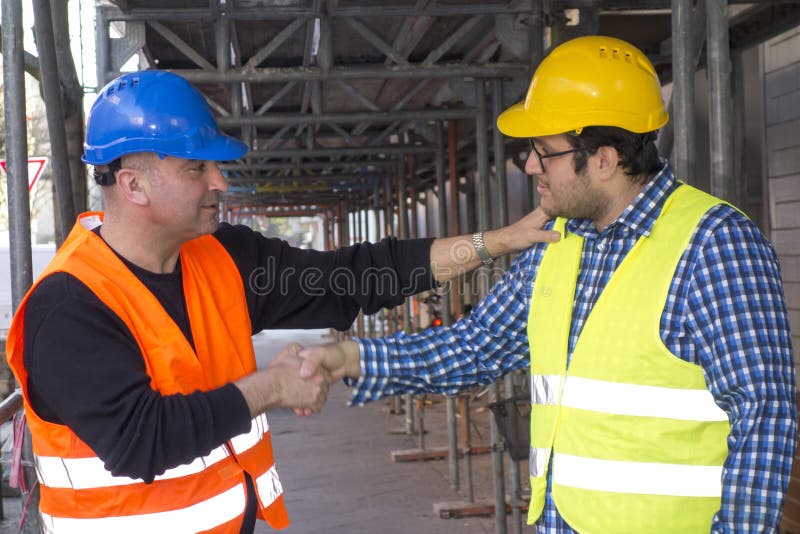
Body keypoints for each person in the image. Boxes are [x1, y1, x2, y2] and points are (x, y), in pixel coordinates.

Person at [4, 70, 559, 533]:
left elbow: (354, 277)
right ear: (133, 185)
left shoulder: (224, 258)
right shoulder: (69, 307)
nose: (220, 182)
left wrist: (495, 243)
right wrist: (272, 385)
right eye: (197, 168)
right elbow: (142, 439)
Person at [297, 35, 798, 533]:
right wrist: (352, 359)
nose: (531, 165)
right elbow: (476, 347)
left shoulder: (715, 244)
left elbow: (764, 413)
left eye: (544, 151)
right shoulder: (556, 241)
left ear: (603, 159)